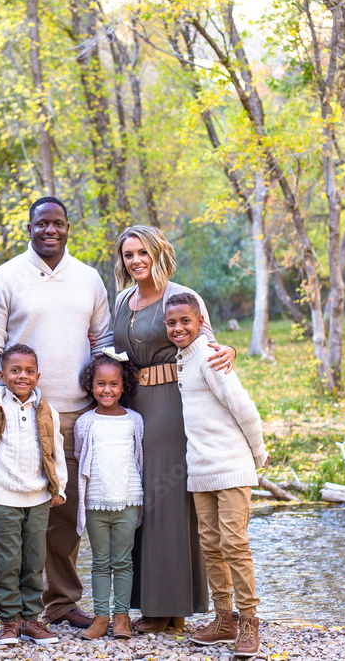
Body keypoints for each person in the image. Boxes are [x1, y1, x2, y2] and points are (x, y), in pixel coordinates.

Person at [0, 196, 113, 629]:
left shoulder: (89, 279)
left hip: (73, 414)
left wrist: (104, 398)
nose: (50, 230)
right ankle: (16, 611)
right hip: (20, 415)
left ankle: (61, 602)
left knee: (65, 513)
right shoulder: (5, 277)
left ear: (68, 227)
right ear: (30, 227)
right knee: (18, 516)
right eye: (42, 224)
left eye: (57, 223)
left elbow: (103, 341)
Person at [109, 225, 235, 632]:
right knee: (141, 500)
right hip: (133, 404)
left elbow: (208, 342)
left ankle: (173, 607)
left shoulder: (181, 295)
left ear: (158, 253)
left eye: (142, 252)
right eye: (129, 255)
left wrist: (228, 350)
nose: (136, 261)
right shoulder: (123, 299)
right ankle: (151, 602)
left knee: (166, 501)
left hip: (171, 404)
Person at [165, 292, 269, 659]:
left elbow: (244, 406)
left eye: (185, 322)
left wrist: (258, 453)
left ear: (200, 322)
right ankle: (224, 618)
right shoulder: (183, 360)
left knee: (234, 545)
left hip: (232, 467)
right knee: (210, 545)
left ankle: (248, 622)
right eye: (172, 323)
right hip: (201, 470)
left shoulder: (210, 357)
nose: (178, 328)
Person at [0, 344, 69, 646]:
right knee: (8, 562)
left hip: (38, 498)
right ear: (2, 374)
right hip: (3, 498)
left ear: (37, 376)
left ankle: (31, 622)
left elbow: (57, 451)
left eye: (28, 371)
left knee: (34, 561)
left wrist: (58, 487)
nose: (21, 376)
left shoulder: (47, 410)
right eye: (15, 371)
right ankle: (9, 622)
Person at [73, 351, 144, 641]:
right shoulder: (85, 422)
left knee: (123, 561)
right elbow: (81, 456)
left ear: (123, 385)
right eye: (101, 384)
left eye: (114, 384)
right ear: (91, 385)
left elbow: (139, 457)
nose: (107, 390)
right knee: (101, 561)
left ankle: (122, 618)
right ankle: (101, 618)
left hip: (128, 499)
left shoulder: (135, 421)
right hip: (95, 501)